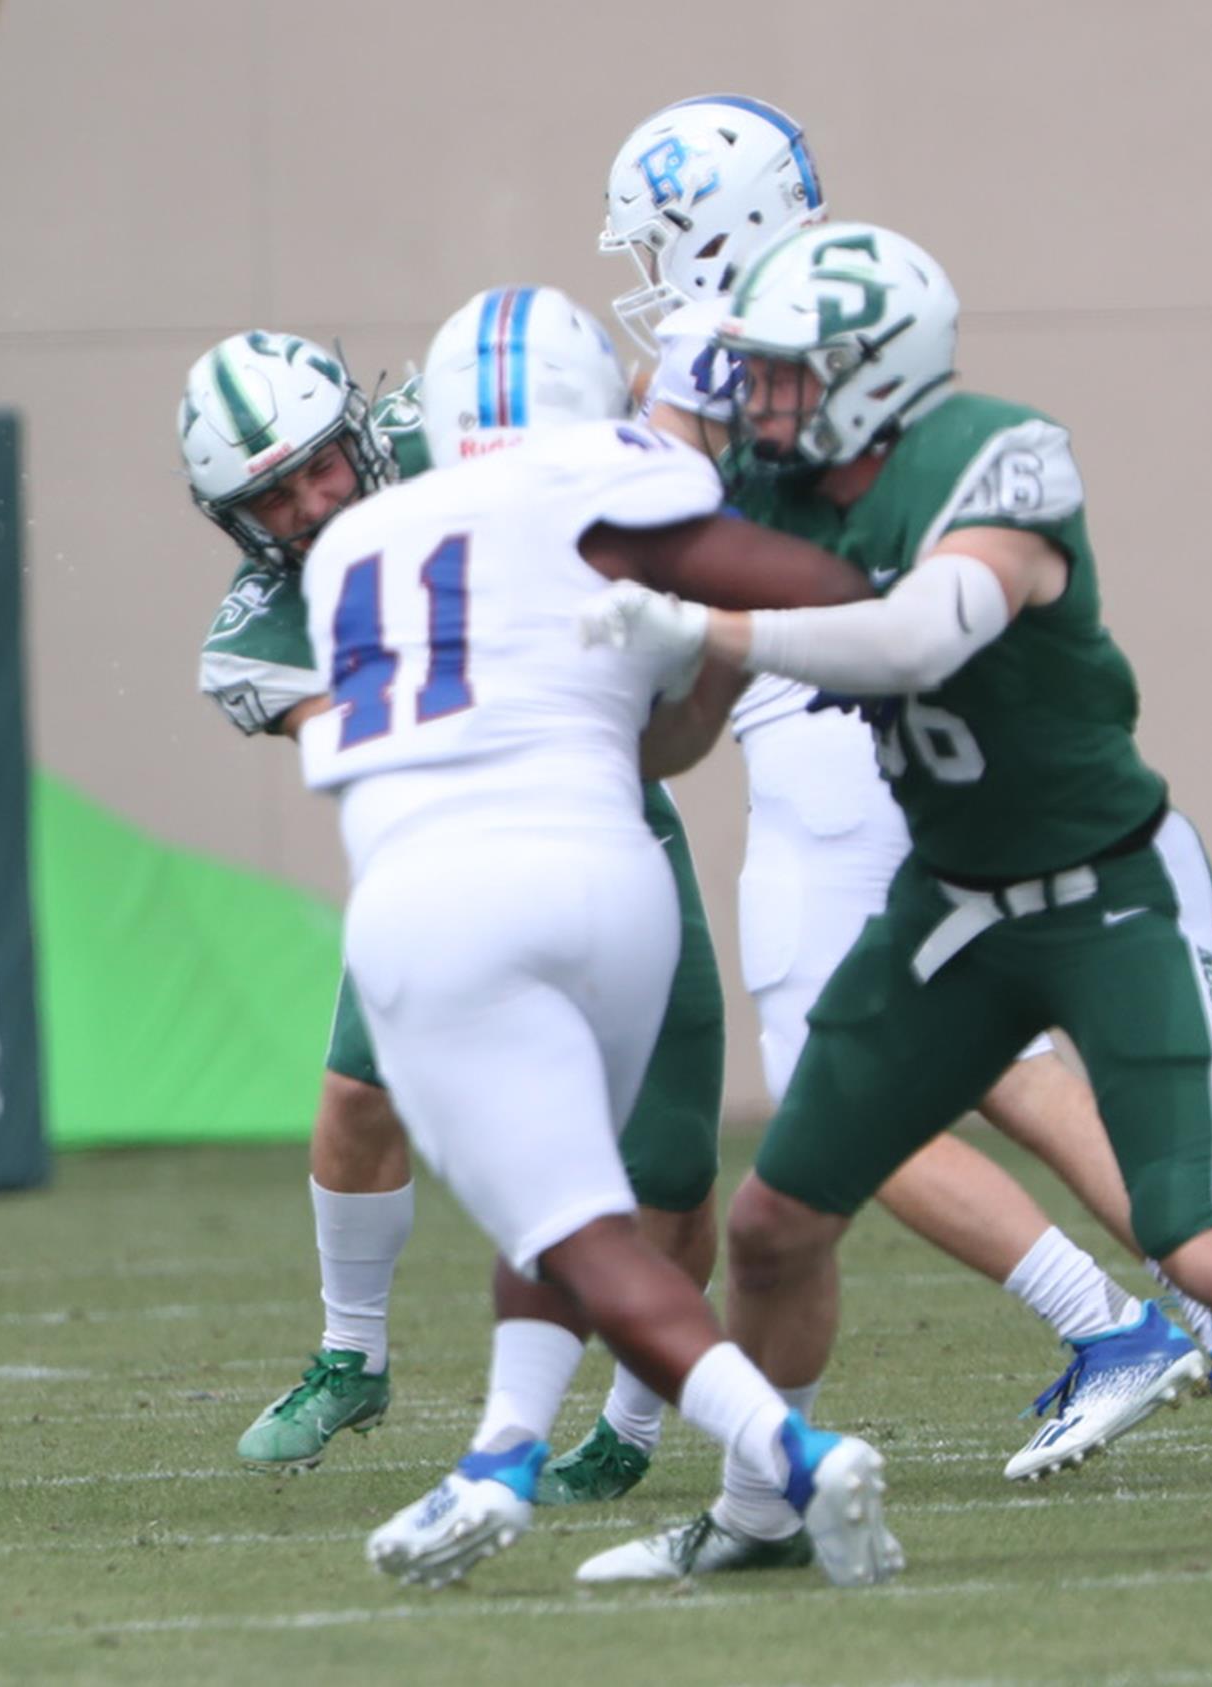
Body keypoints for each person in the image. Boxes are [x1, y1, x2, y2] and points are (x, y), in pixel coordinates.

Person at [578, 225, 1212, 1580]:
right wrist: (630, 660)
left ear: (876, 369)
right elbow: (678, 744)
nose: (762, 404)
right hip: (951, 902)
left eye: (790, 376)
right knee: (780, 1219)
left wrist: (709, 624)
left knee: (1210, 1248)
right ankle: (762, 1511)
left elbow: (923, 633)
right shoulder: (775, 501)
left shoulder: (1001, 456)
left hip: (1111, 893)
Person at [309, 285, 898, 1588]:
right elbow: (702, 701)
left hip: (444, 889)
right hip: (620, 870)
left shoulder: (356, 541)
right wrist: (823, 606)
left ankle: (794, 1453)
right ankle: (501, 1455)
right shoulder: (627, 468)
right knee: (566, 1188)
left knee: (574, 1220)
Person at [178, 333, 730, 1473]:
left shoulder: (460, 426)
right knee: (357, 1094)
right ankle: (353, 1353)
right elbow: (376, 744)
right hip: (454, 858)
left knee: (669, 1163)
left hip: (614, 825)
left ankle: (627, 1426)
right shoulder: (259, 636)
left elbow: (609, 392)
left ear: (359, 431)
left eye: (320, 466)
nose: (309, 502)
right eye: (270, 497)